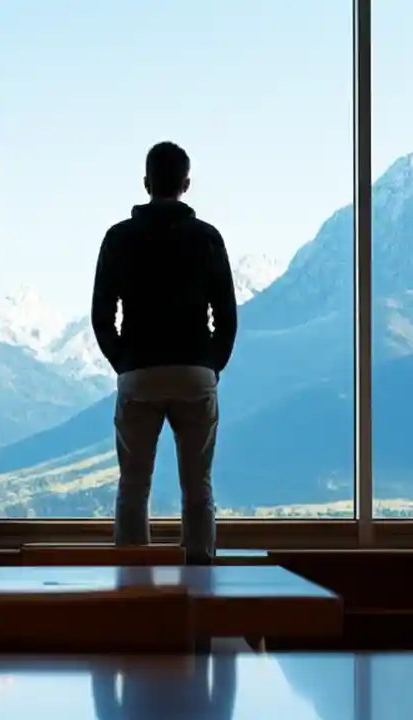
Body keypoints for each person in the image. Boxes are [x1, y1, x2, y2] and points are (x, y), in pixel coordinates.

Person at [91, 141, 238, 566]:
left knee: (133, 487)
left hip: (139, 372)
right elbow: (226, 315)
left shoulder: (119, 238)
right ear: (186, 184)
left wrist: (124, 362)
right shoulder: (207, 238)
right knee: (199, 488)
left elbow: (102, 314)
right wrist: (211, 364)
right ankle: (199, 590)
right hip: (195, 371)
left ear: (146, 182)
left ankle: (136, 598)